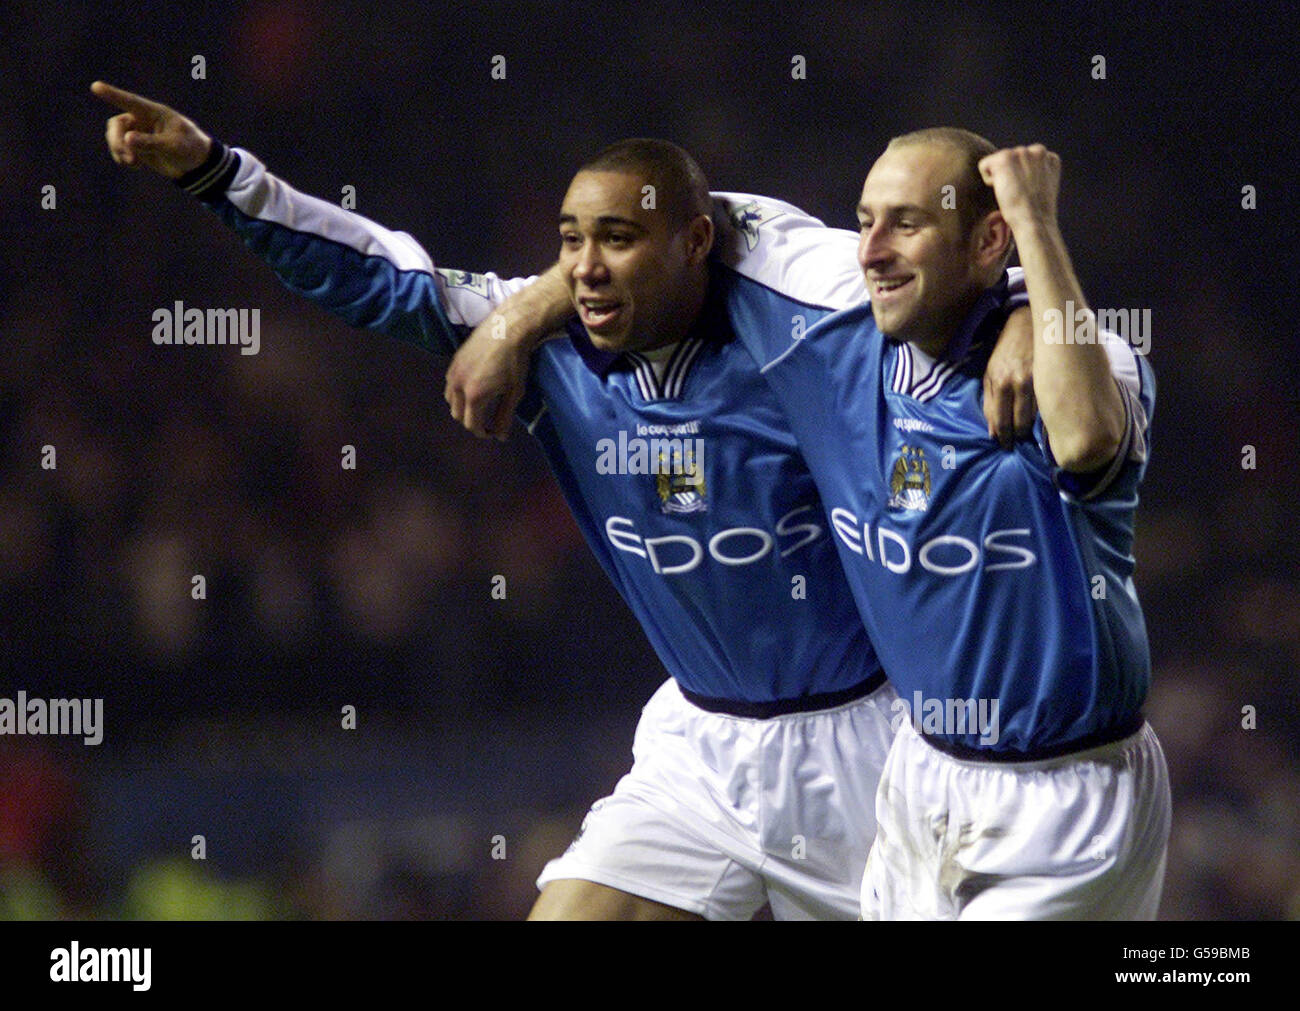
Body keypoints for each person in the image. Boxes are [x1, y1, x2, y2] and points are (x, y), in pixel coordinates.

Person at [91, 81, 1034, 920]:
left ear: (695, 243)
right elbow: (374, 276)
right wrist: (216, 173)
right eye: (570, 242)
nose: (583, 268)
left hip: (862, 746)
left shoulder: (801, 317)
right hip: (700, 747)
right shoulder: (552, 350)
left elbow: (930, 259)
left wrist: (1028, 309)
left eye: (617, 240)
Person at [721, 128, 1171, 919]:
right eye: (864, 220)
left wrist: (1036, 239)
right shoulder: (834, 326)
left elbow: (1087, 439)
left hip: (1067, 796)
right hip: (920, 775)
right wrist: (524, 321)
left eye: (906, 222)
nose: (871, 250)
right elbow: (677, 218)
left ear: (989, 236)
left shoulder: (1089, 362)